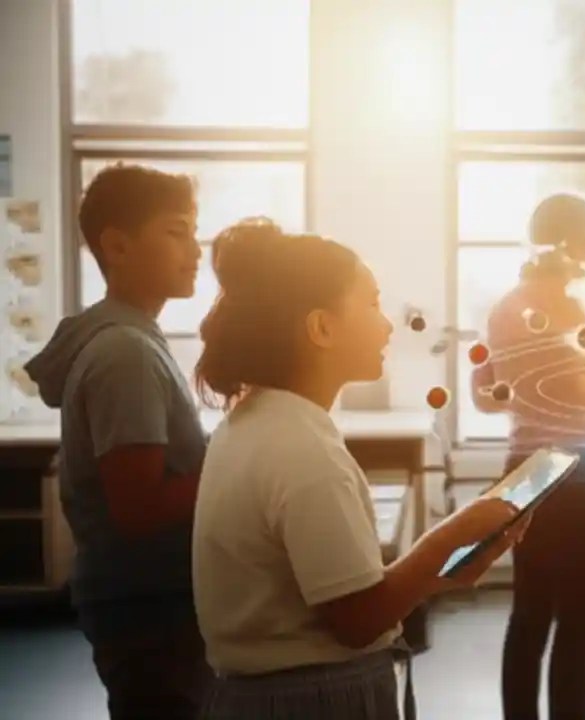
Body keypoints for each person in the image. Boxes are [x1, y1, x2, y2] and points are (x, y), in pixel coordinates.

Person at [191, 218, 522, 719]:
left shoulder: (254, 421)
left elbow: (341, 596)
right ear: (321, 327)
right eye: (371, 303)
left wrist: (440, 575)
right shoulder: (301, 447)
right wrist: (448, 537)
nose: (388, 324)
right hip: (314, 700)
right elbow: (357, 620)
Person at [24, 163, 211, 719]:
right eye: (176, 232)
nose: (195, 249)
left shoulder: (134, 337)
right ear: (117, 246)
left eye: (194, 232)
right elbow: (137, 507)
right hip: (151, 610)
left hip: (148, 602)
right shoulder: (124, 352)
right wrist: (231, 468)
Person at [471, 193, 585, 720]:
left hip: (526, 466)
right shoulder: (569, 305)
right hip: (581, 469)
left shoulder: (503, 306)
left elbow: (483, 395)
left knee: (530, 612)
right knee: (583, 618)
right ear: (571, 238)